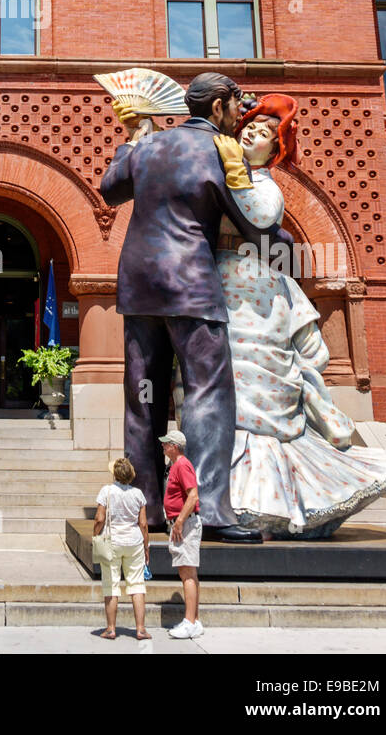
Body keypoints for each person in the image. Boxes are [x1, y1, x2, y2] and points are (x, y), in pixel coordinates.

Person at [100, 71, 287, 541]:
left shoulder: (151, 146)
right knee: (207, 395)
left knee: (143, 399)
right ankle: (211, 512)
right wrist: (279, 241)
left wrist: (132, 139)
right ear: (219, 106)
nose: (241, 116)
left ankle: (147, 510)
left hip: (139, 286)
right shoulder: (221, 150)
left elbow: (109, 188)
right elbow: (254, 228)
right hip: (191, 286)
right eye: (237, 106)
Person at [218, 93, 386, 536]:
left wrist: (234, 171)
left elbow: (259, 217)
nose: (251, 135)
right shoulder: (218, 173)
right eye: (249, 129)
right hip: (217, 290)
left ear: (273, 152)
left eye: (263, 134)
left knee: (257, 400)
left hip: (255, 298)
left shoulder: (262, 186)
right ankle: (236, 498)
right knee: (228, 397)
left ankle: (276, 505)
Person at [92, 456, 151, 640]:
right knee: (137, 585)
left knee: (111, 585)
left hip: (113, 542)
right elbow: (143, 524)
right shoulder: (138, 494)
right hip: (134, 542)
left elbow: (100, 518)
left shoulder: (107, 491)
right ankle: (140, 629)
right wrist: (146, 546)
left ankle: (110, 628)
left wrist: (95, 535)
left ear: (115, 474)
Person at [161, 432, 204, 638]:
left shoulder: (181, 465)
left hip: (185, 524)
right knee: (189, 573)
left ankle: (189, 622)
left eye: (166, 444)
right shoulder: (178, 465)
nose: (163, 447)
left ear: (174, 447)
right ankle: (194, 620)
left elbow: (193, 494)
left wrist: (178, 521)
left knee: (186, 573)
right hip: (183, 523)